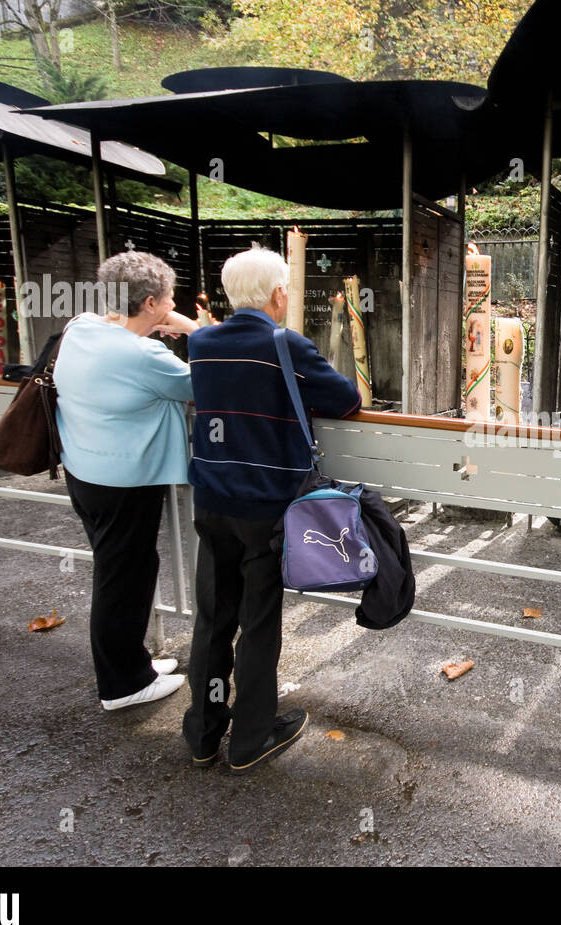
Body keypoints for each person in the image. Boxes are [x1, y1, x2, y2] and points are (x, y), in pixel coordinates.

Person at [184, 245, 360, 774]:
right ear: (280, 293)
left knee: (213, 617)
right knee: (258, 622)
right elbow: (346, 400)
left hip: (211, 498)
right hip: (264, 507)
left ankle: (203, 733)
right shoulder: (286, 344)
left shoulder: (200, 342)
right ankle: (251, 737)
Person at [54, 251, 200, 711]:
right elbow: (202, 384)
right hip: (124, 483)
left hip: (84, 473)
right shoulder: (143, 355)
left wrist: (154, 322)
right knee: (123, 580)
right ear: (153, 302)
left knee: (122, 571)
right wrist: (196, 330)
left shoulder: (81, 329)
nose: (174, 305)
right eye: (170, 299)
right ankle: (123, 685)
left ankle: (134, 663)